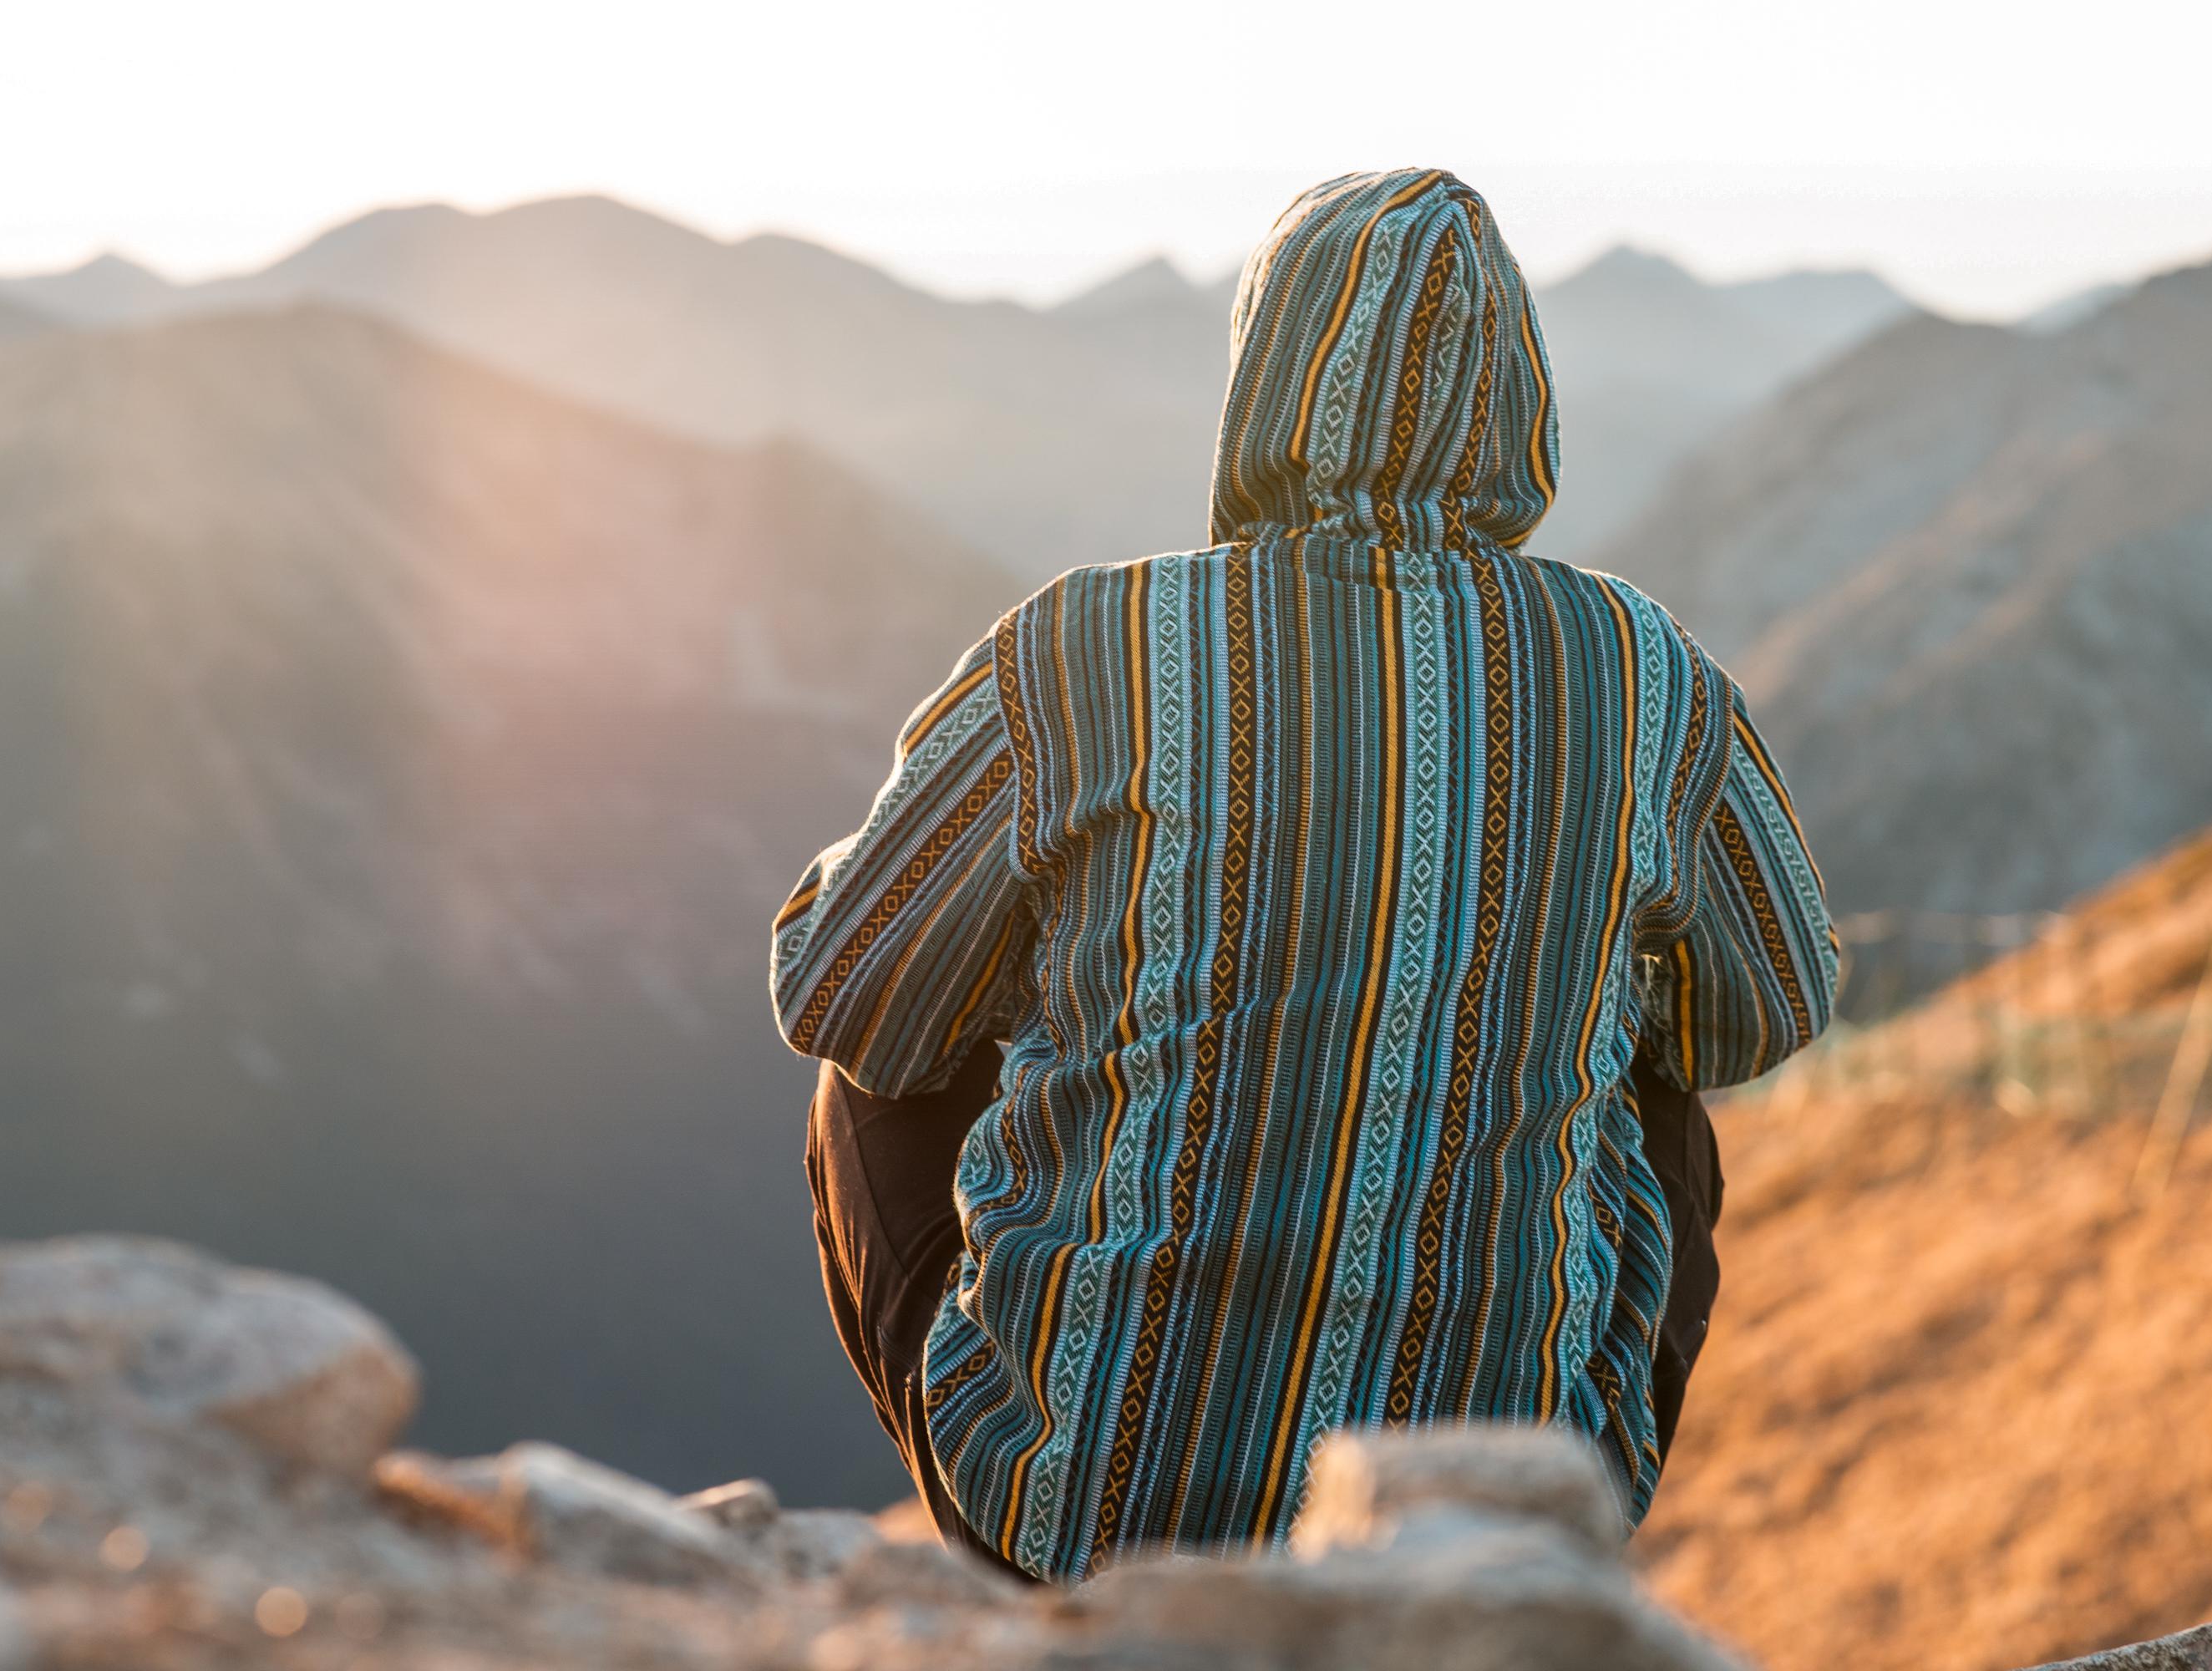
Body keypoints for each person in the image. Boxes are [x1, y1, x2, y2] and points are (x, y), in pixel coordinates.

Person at [770, 168, 1836, 1584]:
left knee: (869, 1077)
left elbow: (839, 991)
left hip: (1070, 1517)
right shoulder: (1642, 673)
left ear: (1263, 379)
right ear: (1520, 400)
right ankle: (1525, 1487)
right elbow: (1767, 1011)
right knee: (1664, 1104)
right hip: (1468, 1534)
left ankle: (1043, 1518)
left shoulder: (1090, 646)